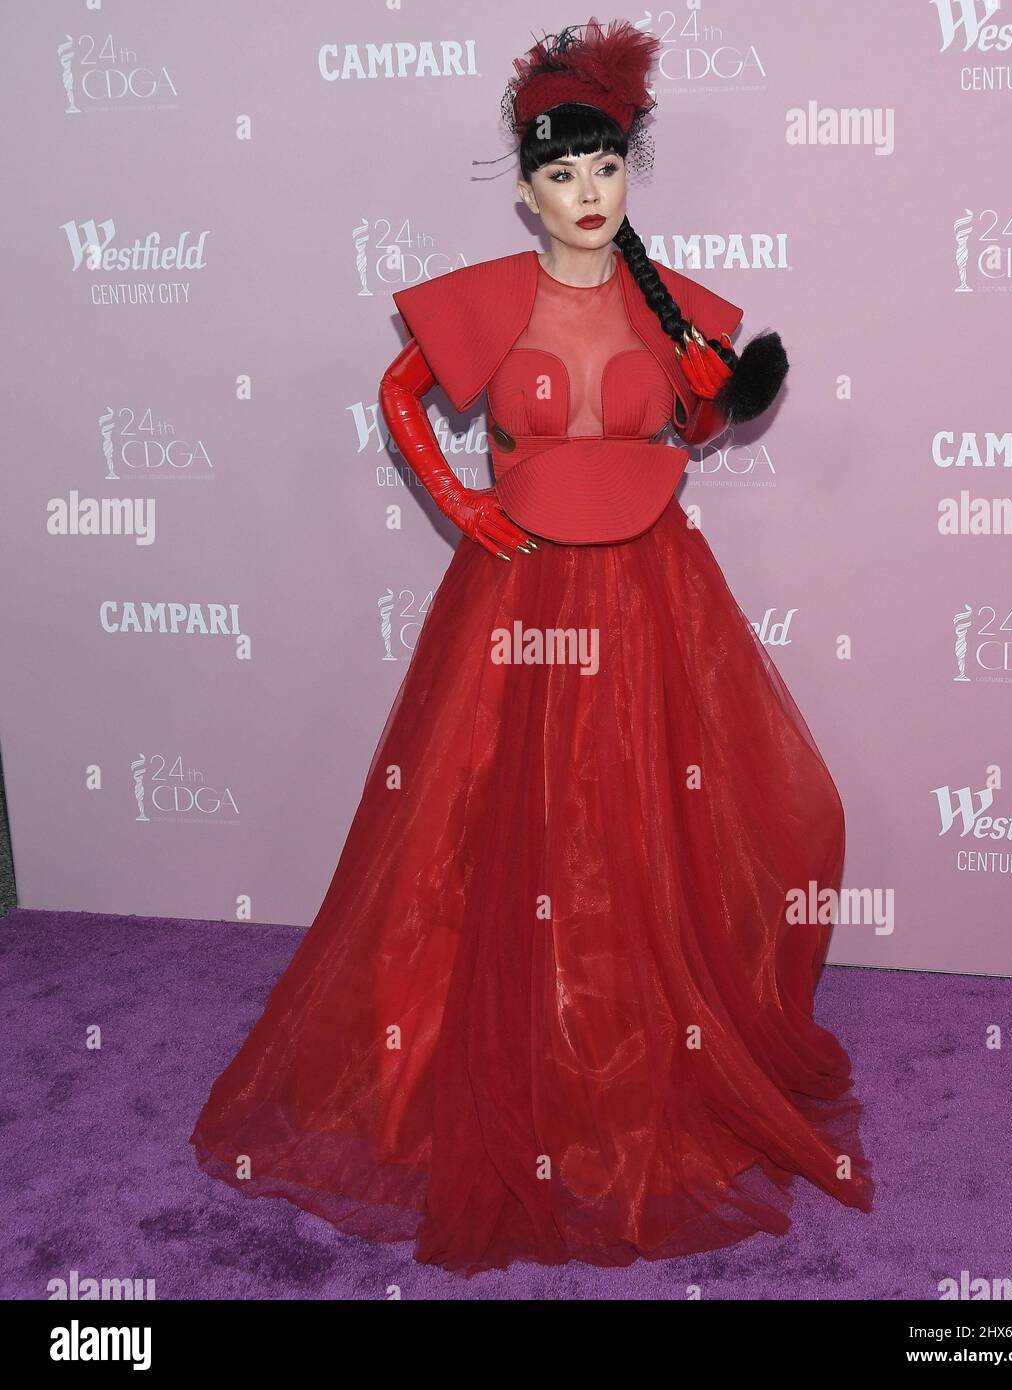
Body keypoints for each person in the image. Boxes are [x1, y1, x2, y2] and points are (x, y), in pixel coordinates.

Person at [189, 16, 874, 1277]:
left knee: (650, 822)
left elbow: (698, 413)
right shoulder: (490, 301)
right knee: (496, 827)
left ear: (625, 175)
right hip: (520, 598)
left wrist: (744, 389)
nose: (586, 193)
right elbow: (400, 396)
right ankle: (515, 1051)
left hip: (655, 591)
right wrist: (463, 507)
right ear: (524, 190)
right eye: (561, 174)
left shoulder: (666, 301)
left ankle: (634, 1031)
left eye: (605, 169)